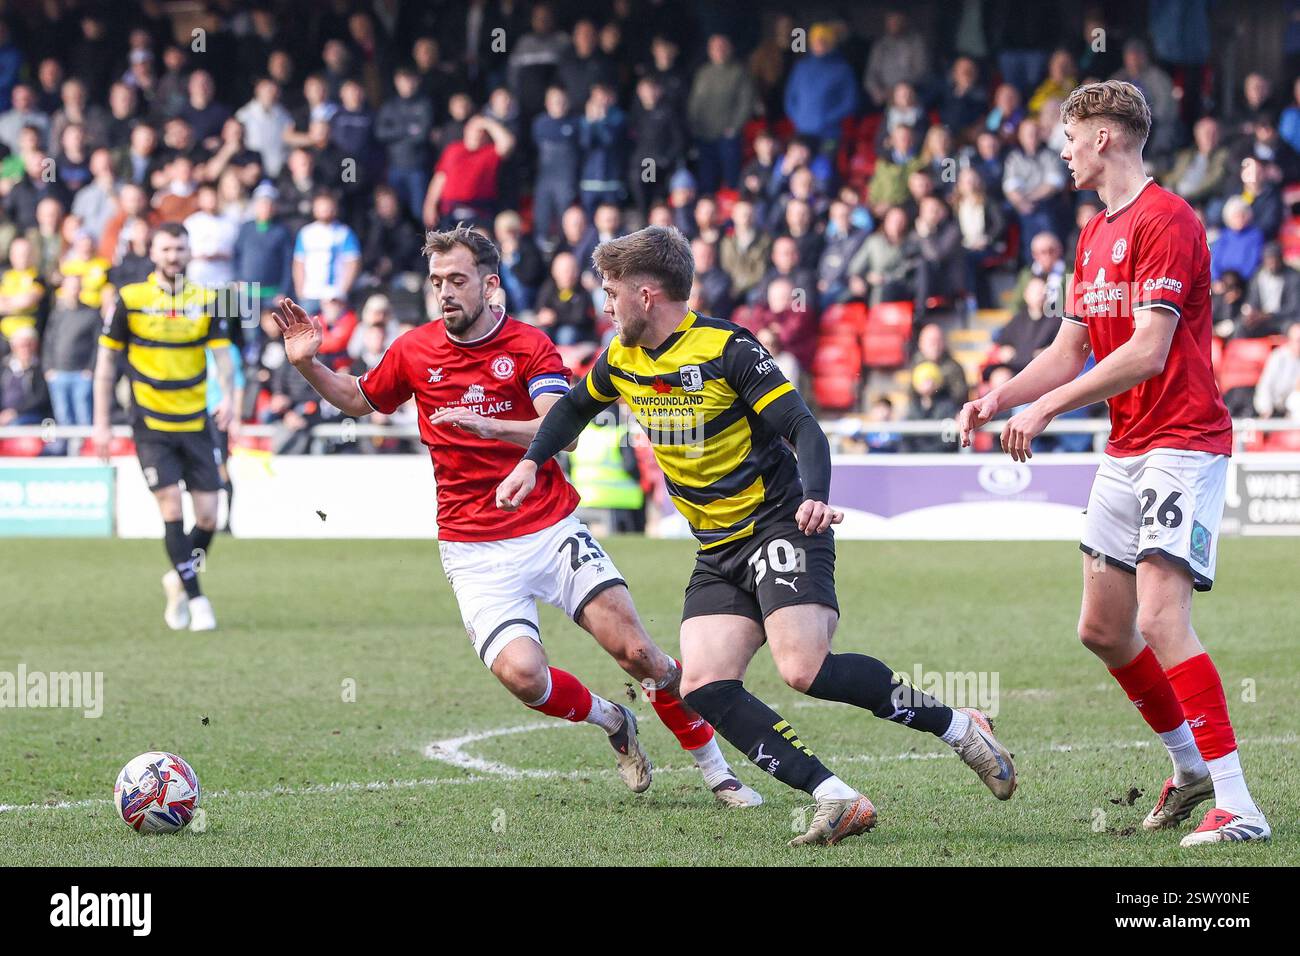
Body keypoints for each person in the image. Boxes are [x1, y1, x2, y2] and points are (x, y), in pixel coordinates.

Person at [498, 226, 1017, 848]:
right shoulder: (621, 357)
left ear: (644, 294)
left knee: (802, 668)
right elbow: (574, 408)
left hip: (779, 521)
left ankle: (959, 726)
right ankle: (837, 797)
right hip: (717, 547)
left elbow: (805, 427)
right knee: (702, 685)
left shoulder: (728, 348)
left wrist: (817, 496)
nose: (604, 305)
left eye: (610, 293)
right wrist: (533, 458)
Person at [276, 225, 761, 809]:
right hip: (473, 548)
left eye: (457, 280)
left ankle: (717, 770)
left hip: (549, 528)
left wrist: (488, 426)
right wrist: (309, 365)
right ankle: (613, 721)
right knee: (524, 676)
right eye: (437, 282)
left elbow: (560, 426)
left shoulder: (528, 345)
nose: (446, 292)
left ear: (489, 283)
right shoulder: (414, 349)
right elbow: (360, 399)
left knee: (637, 653)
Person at [959, 80, 1269, 846]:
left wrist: (1049, 409)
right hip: (1129, 447)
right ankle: (1190, 766)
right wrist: (1000, 398)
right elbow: (1070, 348)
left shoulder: (1168, 220)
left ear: (1101, 136)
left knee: (1162, 618)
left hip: (1184, 441)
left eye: (1068, 137)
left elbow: (1146, 350)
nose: (1061, 152)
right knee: (1103, 627)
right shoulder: (1093, 233)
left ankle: (1239, 805)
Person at [92, 223, 237, 632]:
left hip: (195, 422)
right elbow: (105, 367)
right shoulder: (130, 299)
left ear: (190, 253)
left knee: (208, 516)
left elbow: (223, 358)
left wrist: (231, 401)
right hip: (151, 423)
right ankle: (198, 600)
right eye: (167, 248)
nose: (174, 256)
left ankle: (178, 574)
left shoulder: (207, 299)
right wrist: (100, 424)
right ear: (153, 253)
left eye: (181, 249)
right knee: (171, 507)